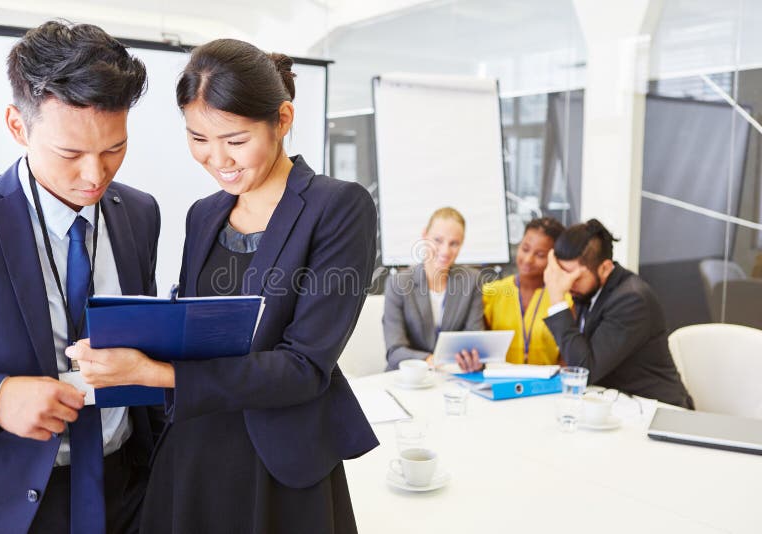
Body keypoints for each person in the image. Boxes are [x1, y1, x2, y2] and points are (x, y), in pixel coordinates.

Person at [66, 39, 378, 533]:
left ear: (283, 118)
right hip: (194, 450)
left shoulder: (337, 208)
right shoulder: (205, 213)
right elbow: (195, 332)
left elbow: (303, 367)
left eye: (235, 140)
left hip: (277, 464)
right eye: (198, 139)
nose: (217, 160)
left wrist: (156, 374)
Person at [0, 21, 160, 534]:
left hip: (131, 488)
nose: (95, 175)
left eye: (114, 148)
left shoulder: (140, 212)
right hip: (8, 502)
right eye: (70, 154)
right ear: (16, 125)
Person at [543, 219, 693, 408]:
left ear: (605, 268)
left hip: (656, 411)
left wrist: (557, 299)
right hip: (614, 404)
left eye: (574, 277)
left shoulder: (632, 300)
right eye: (560, 273)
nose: (564, 284)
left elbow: (583, 370)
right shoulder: (587, 289)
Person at [383, 207, 484, 372]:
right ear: (425, 235)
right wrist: (430, 360)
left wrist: (472, 360)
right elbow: (395, 351)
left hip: (451, 376)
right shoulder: (398, 284)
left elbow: (474, 340)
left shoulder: (471, 281)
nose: (445, 251)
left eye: (454, 243)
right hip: (408, 376)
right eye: (438, 240)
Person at [482, 217, 569, 365]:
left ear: (554, 258)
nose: (528, 259)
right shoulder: (491, 293)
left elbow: (568, 354)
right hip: (498, 382)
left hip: (547, 384)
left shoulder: (562, 298)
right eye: (525, 249)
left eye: (540, 255)